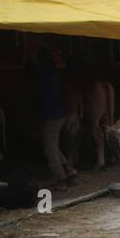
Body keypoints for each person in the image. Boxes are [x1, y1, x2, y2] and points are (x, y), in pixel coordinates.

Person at [33, 46, 76, 190]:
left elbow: (47, 96)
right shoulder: (54, 72)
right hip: (60, 113)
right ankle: (69, 170)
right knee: (53, 145)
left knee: (49, 150)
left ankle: (62, 180)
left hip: (52, 114)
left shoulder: (43, 74)